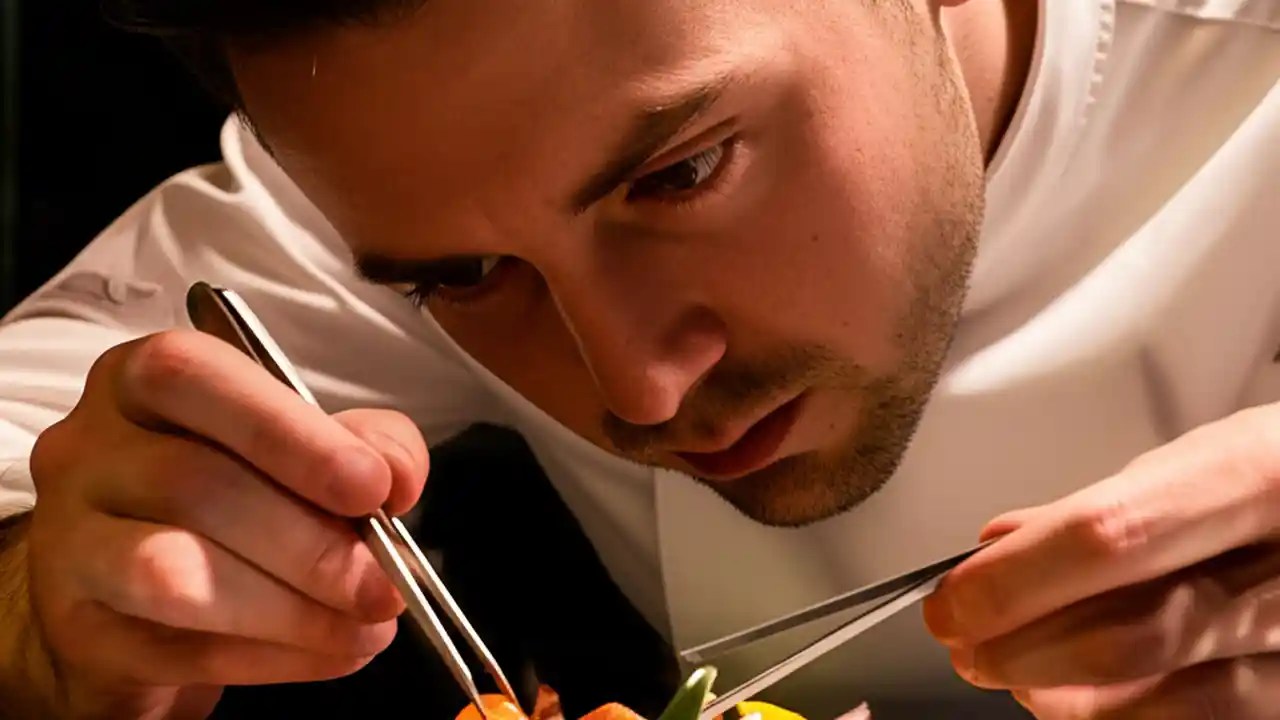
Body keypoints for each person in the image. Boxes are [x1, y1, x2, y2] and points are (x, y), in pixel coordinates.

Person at [0, 0, 1276, 717]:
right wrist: (42, 606)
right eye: (462, 279)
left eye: (681, 173)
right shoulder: (409, 168)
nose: (636, 389)